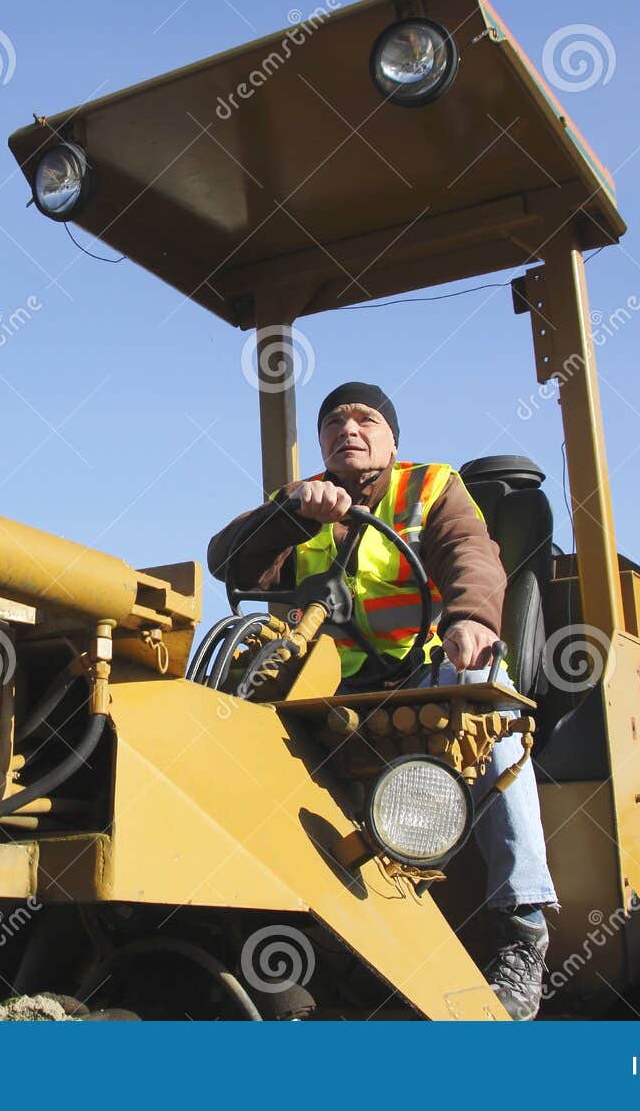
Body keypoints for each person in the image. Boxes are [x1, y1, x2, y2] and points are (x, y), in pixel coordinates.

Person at [207, 381, 557, 1020]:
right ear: (320, 443)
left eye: (366, 419)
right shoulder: (302, 500)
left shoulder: (430, 489)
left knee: (491, 707)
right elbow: (226, 561)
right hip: (328, 696)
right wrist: (288, 514)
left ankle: (521, 926)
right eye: (335, 422)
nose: (350, 429)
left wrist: (472, 617)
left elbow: (469, 556)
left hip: (424, 680)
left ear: (392, 438)